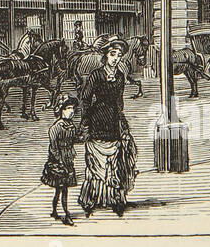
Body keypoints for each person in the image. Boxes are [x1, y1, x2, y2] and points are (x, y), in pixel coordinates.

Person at [77, 36, 138, 217]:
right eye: (113, 54)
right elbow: (85, 100)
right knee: (96, 164)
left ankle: (116, 199)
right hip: (97, 120)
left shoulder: (120, 76)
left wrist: (122, 121)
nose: (116, 58)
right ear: (105, 55)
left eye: (119, 55)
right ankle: (90, 199)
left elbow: (119, 102)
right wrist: (85, 122)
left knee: (115, 163)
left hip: (113, 121)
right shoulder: (96, 75)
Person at [42, 94, 85, 226]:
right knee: (62, 189)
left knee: (60, 189)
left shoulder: (71, 126)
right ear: (61, 110)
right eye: (68, 108)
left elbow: (75, 139)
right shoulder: (55, 128)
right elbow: (53, 148)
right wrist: (60, 163)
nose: (71, 111)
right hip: (58, 162)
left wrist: (85, 136)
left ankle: (55, 211)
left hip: (68, 159)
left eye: (72, 108)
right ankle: (66, 215)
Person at [12, 16, 44, 121]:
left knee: (27, 90)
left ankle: (25, 111)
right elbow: (28, 52)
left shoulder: (27, 38)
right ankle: (29, 111)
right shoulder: (28, 39)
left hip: (23, 56)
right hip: (24, 59)